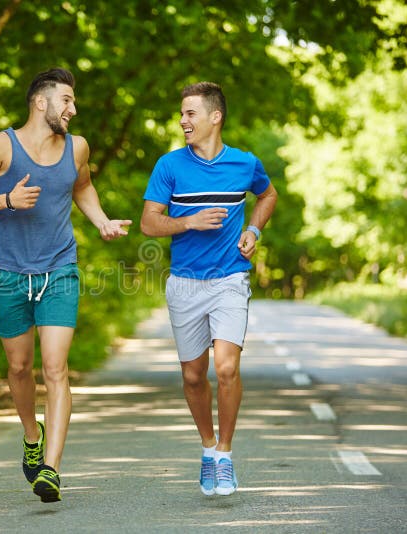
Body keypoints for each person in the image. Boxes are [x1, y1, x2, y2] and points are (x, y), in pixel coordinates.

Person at [0, 68, 131, 503]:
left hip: (59, 270)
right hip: (9, 273)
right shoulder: (1, 145)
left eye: (73, 101)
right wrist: (6, 200)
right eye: (66, 100)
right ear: (41, 102)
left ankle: (50, 468)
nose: (73, 109)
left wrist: (102, 221)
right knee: (19, 368)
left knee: (55, 368)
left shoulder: (77, 147)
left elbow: (83, 187)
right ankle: (31, 438)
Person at [140, 82, 277, 496]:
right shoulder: (169, 166)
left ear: (215, 117)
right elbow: (148, 223)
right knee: (193, 375)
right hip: (185, 283)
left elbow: (268, 195)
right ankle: (206, 446)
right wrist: (188, 222)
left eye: (190, 114)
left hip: (230, 279)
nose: (183, 121)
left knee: (227, 368)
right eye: (181, 114)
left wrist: (253, 230)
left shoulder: (244, 163)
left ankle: (225, 455)